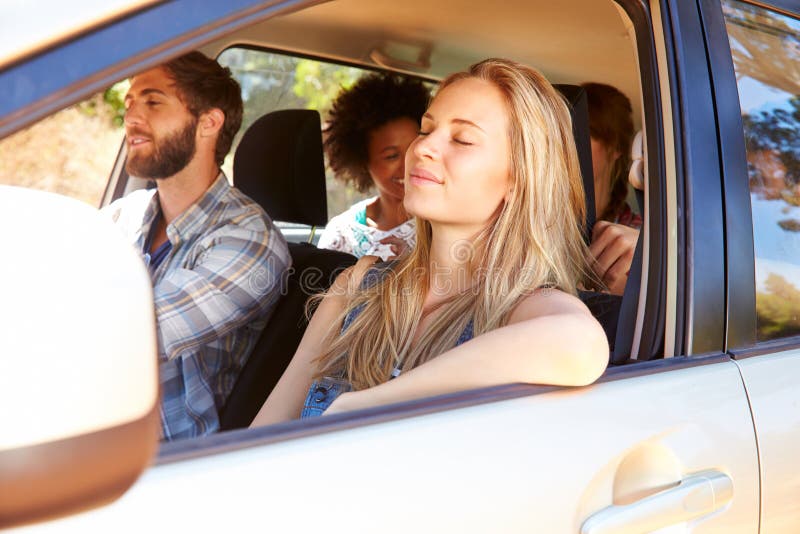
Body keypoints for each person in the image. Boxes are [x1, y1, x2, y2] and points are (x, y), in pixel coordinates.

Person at [251, 58, 608, 425]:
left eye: (462, 139)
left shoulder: (524, 307)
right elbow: (261, 437)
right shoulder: (356, 286)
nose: (421, 148)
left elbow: (582, 346)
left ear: (519, 180)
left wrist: (362, 407)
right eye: (426, 130)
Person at [104, 52, 291, 440]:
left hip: (165, 464)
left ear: (208, 123)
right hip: (90, 427)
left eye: (153, 102)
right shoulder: (125, 215)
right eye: (130, 103)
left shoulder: (250, 241)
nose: (132, 118)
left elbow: (126, 336)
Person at [316, 73, 430, 260]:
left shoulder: (448, 225)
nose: (408, 164)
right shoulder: (343, 234)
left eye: (414, 147)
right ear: (362, 161)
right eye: (391, 156)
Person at [582, 82, 641, 296]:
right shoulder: (530, 219)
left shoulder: (643, 238)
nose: (566, 142)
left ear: (615, 148)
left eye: (583, 132)